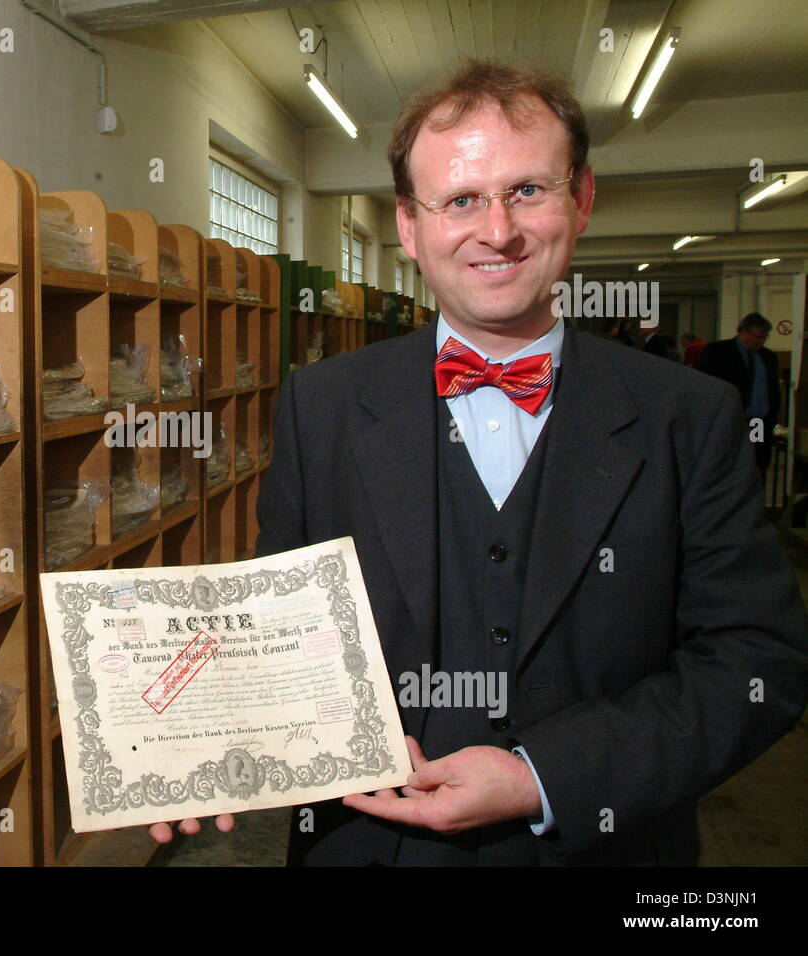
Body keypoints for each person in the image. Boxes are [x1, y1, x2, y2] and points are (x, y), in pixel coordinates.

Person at [148, 59, 807, 866]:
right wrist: (194, 739)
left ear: (583, 198)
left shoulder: (688, 416)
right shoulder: (320, 404)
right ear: (409, 227)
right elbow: (280, 633)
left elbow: (756, 662)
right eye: (459, 199)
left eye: (527, 189)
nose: (496, 230)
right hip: (366, 846)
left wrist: (543, 777)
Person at [697, 313, 780, 474]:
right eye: (757, 337)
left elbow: (773, 390)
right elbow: (703, 385)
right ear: (743, 332)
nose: (761, 341)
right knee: (727, 464)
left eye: (764, 337)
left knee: (756, 464)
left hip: (758, 421)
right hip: (728, 420)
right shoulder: (717, 351)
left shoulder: (768, 357)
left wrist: (772, 418)